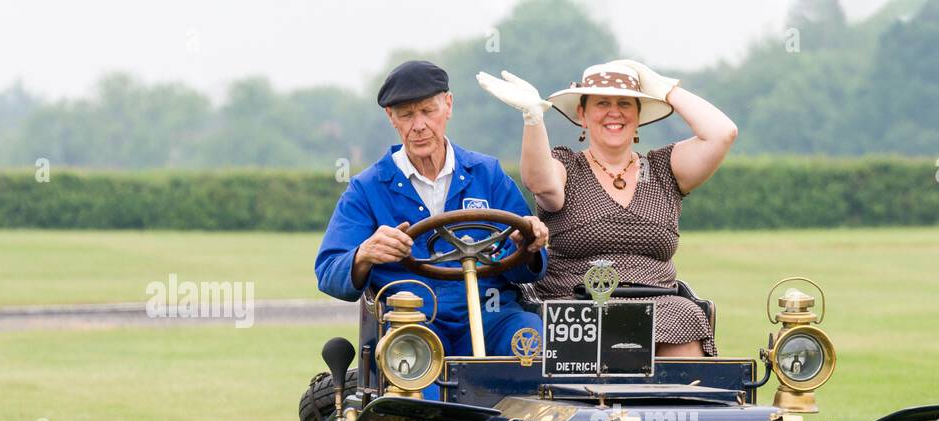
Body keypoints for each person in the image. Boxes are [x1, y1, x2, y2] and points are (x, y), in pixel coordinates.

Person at [477, 59, 737, 356]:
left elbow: (722, 133)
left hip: (660, 304)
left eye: (625, 104)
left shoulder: (664, 168)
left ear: (639, 116)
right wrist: (533, 118)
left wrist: (664, 88)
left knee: (687, 317)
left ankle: (678, 404)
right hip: (574, 309)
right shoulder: (567, 165)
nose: (614, 112)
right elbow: (540, 181)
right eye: (602, 103)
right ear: (582, 115)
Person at [315, 60, 550, 357]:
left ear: (448, 106)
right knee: (411, 358)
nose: (419, 125)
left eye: (428, 111)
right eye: (407, 115)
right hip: (413, 321)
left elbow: (527, 266)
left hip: (493, 316)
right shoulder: (368, 187)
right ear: (392, 118)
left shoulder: (486, 173)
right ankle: (421, 405)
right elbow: (328, 272)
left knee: (529, 338)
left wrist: (527, 245)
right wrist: (364, 254)